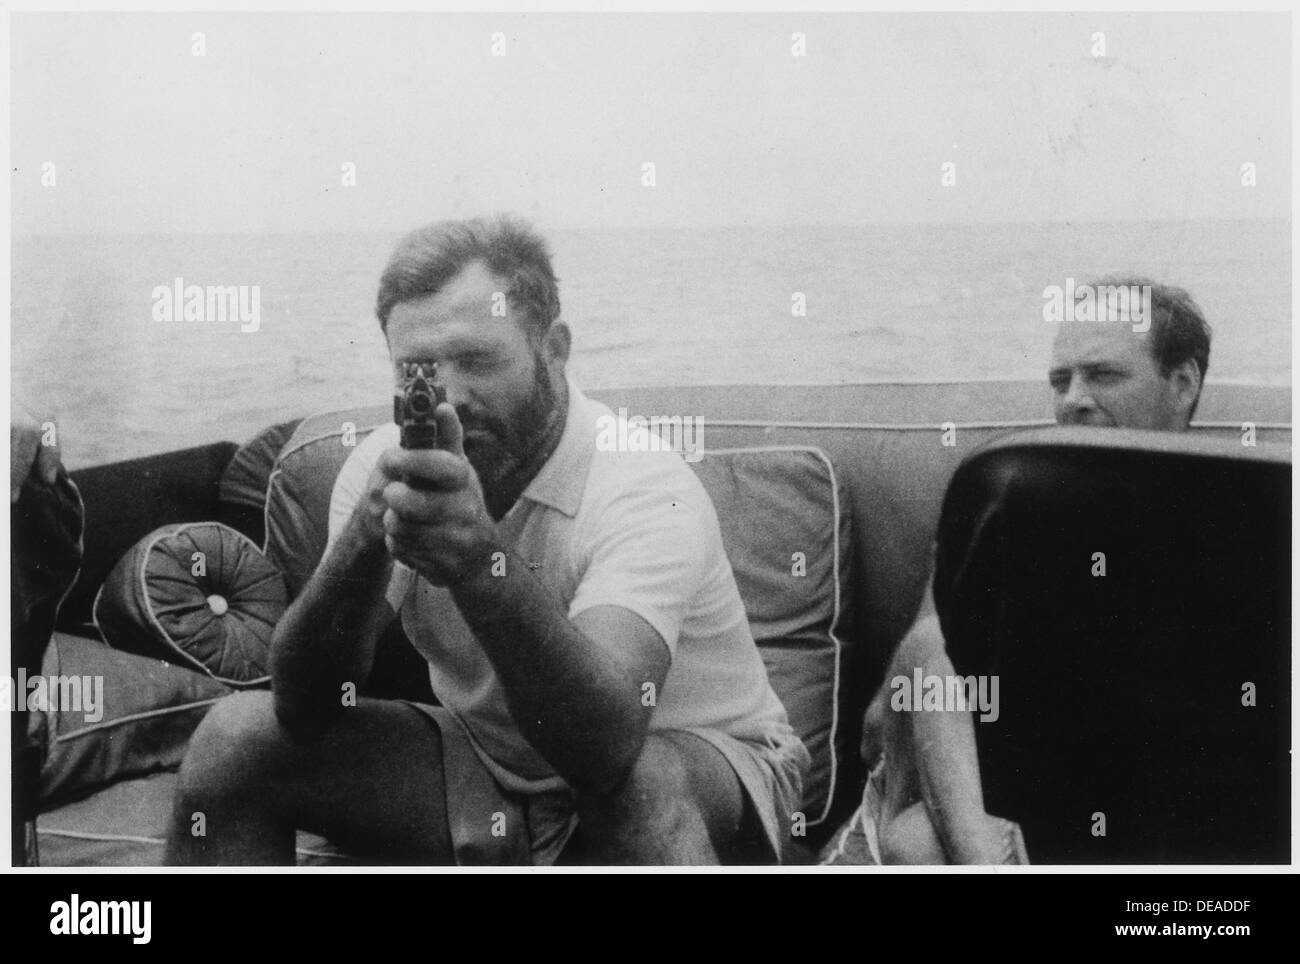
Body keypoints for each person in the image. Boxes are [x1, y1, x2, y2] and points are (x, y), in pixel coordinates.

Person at [165, 214, 809, 866]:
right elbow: (305, 708)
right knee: (235, 742)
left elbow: (607, 746)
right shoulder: (380, 468)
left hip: (698, 765)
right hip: (498, 765)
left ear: (554, 348)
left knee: (637, 788)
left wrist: (479, 563)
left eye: (477, 360)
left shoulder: (638, 482)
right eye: (417, 368)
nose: (449, 394)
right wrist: (367, 534)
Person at [845, 278, 1212, 865]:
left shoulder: (1243, 511)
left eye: (1103, 375)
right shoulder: (1005, 500)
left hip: (1161, 791)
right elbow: (891, 713)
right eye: (1060, 380)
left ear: (1183, 383)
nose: (1074, 399)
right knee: (913, 828)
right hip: (1007, 784)